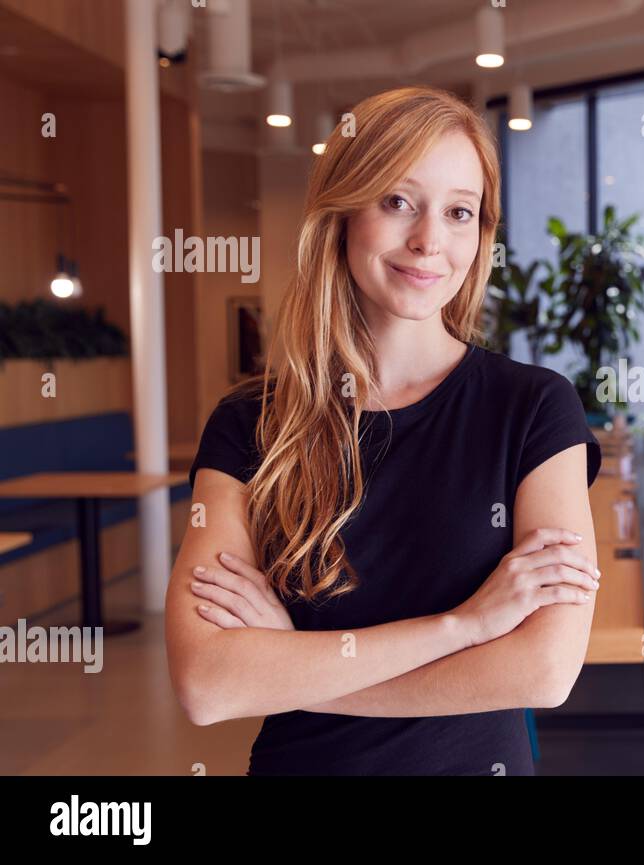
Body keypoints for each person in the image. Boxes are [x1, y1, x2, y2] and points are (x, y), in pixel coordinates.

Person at [165, 87, 603, 776]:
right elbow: (207, 683)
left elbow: (544, 670)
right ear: (342, 213)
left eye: (459, 211)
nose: (431, 239)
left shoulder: (535, 410)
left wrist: (300, 668)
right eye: (398, 201)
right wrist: (467, 626)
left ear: (480, 234)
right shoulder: (250, 423)